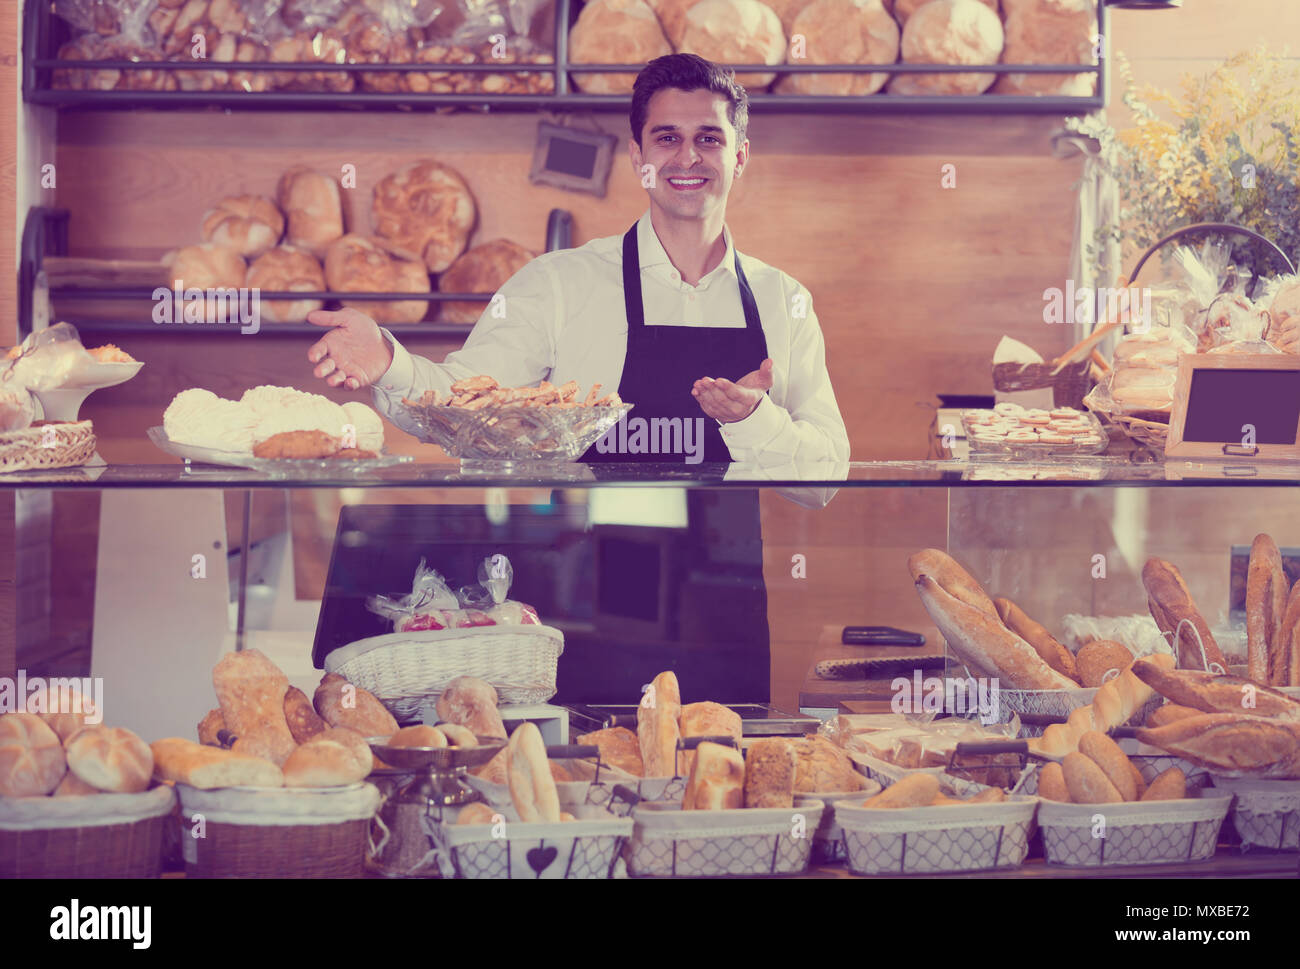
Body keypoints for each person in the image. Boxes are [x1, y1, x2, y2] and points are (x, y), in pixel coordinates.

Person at [305, 52, 848, 468]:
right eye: (666, 139)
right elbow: (466, 410)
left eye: (709, 138)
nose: (688, 156)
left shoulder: (785, 300)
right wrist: (387, 361)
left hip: (728, 597)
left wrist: (754, 419)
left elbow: (826, 475)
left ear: (740, 156)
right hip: (582, 585)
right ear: (638, 157)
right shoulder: (558, 283)